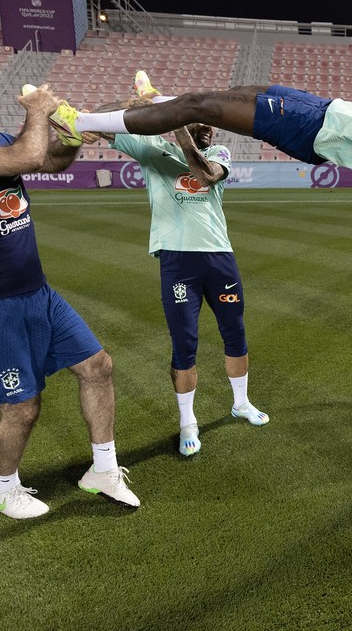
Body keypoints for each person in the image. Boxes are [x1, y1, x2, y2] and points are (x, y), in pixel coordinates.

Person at [0, 72, 140, 520]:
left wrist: (70, 138)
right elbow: (28, 153)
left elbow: (49, 162)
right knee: (22, 407)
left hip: (35, 290)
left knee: (98, 366)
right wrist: (38, 110)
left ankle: (105, 470)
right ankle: (4, 489)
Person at [49, 71, 352, 213]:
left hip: (310, 129)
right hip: (319, 106)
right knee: (229, 91)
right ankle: (158, 99)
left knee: (201, 105)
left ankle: (81, 121)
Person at [103, 119, 269, 457]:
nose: (207, 127)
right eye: (197, 120)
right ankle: (188, 422)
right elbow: (103, 124)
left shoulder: (219, 153)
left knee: (235, 333)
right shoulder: (153, 151)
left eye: (210, 122)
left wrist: (181, 125)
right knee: (185, 342)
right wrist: (144, 110)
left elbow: (207, 175)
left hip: (220, 256)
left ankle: (241, 403)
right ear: (180, 120)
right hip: (178, 260)